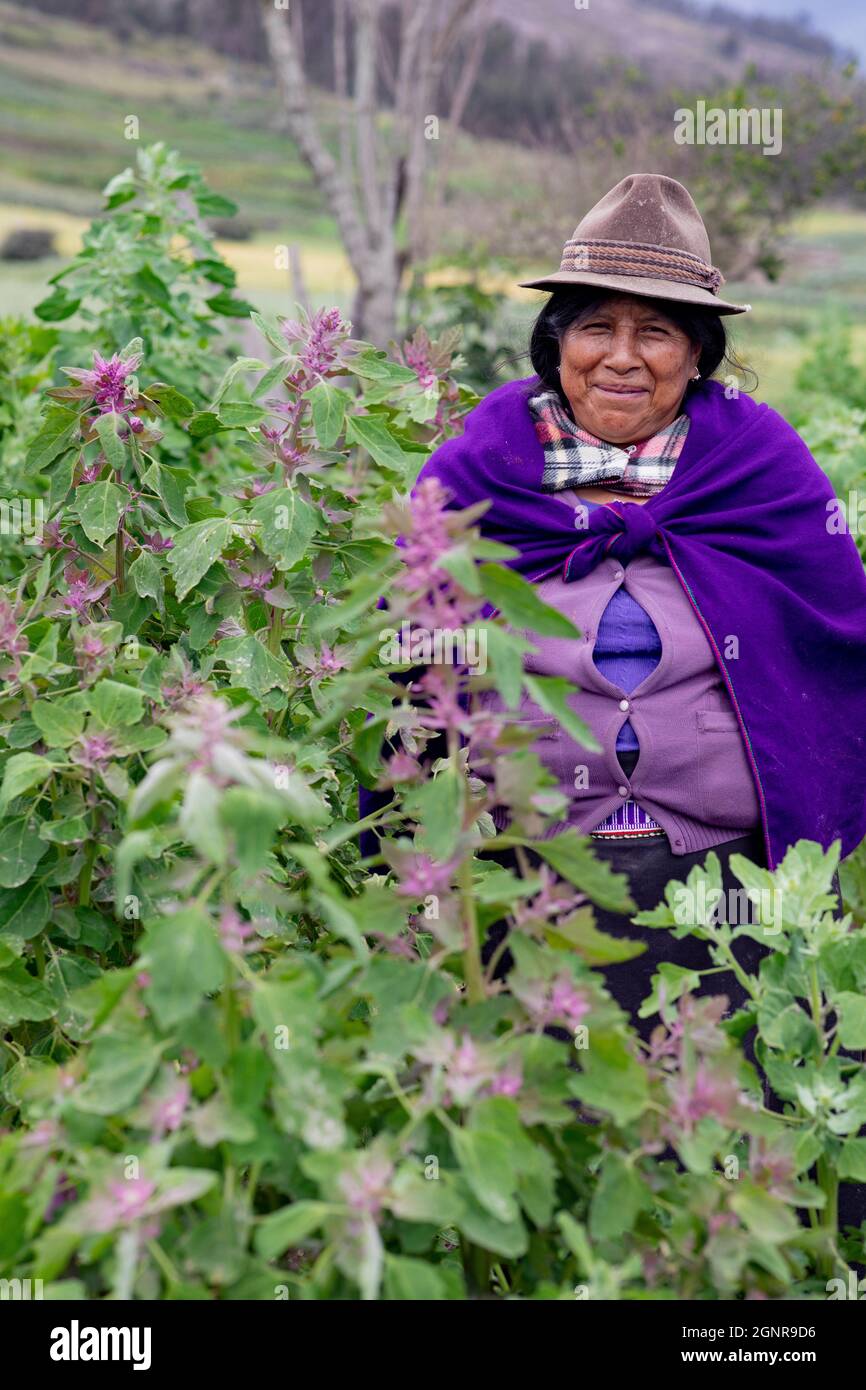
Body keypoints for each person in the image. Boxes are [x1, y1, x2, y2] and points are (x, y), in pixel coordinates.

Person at [413, 173, 866, 1031]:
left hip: (723, 888)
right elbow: (405, 651)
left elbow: (838, 637)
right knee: (549, 1108)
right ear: (556, 346)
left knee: (722, 1109)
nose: (621, 356)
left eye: (654, 331)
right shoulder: (481, 468)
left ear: (697, 355)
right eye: (594, 327)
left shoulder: (756, 467)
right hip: (526, 873)